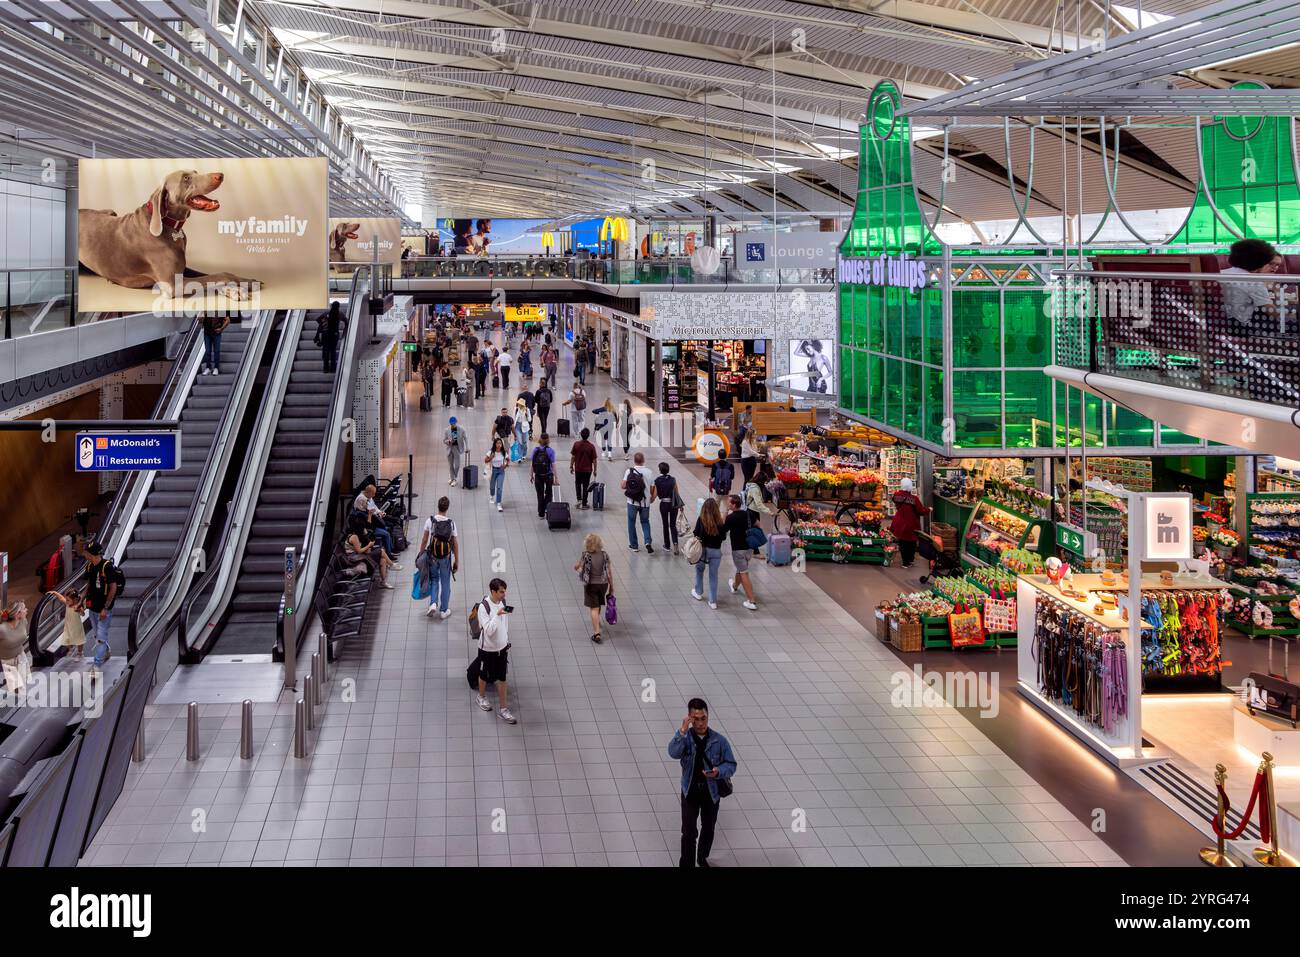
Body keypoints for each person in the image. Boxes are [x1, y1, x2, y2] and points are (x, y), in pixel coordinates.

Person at [667, 698, 737, 868]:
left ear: (708, 716)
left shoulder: (719, 741)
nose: (700, 723)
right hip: (690, 791)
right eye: (696, 719)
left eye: (703, 718)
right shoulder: (685, 738)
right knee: (689, 832)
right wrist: (682, 732)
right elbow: (673, 753)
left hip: (710, 793)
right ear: (690, 718)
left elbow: (731, 764)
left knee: (708, 829)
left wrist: (718, 771)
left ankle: (702, 857)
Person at [473, 577, 516, 724]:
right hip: (487, 649)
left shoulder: (502, 602)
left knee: (502, 678)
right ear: (493, 591)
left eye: (505, 592)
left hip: (502, 649)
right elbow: (489, 631)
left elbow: (505, 624)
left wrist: (506, 640)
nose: (504, 595)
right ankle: (481, 696)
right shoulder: (483, 607)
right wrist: (498, 615)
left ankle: (504, 709)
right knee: (484, 675)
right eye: (501, 592)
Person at [1220, 238, 1284, 327]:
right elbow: (1271, 312)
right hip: (1242, 328)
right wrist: (1292, 316)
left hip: (1221, 324)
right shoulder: (1253, 281)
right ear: (1259, 261)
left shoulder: (1220, 273)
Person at [419, 496, 460, 619]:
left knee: (435, 579)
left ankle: (433, 603)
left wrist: (421, 554)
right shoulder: (451, 523)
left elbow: (425, 539)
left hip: (433, 556)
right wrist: (457, 560)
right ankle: (444, 610)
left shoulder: (430, 521)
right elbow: (455, 543)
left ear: (438, 506)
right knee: (446, 582)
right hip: (445, 557)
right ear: (447, 508)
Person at [82, 542, 123, 664]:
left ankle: (97, 664)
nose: (84, 554)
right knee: (97, 635)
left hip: (104, 609)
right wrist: (80, 601)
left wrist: (105, 608)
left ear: (92, 554)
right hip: (92, 607)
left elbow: (113, 587)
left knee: (100, 637)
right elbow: (89, 585)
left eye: (86, 553)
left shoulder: (107, 567)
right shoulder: (89, 566)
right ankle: (106, 651)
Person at [574, 533, 614, 644]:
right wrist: (612, 587)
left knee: (593, 608)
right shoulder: (605, 555)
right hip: (603, 584)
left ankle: (597, 633)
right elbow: (609, 572)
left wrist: (577, 568)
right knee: (598, 604)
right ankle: (597, 621)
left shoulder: (585, 555)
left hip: (591, 585)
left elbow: (579, 568)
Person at [724, 494, 759, 611]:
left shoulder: (730, 518)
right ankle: (734, 586)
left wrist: (725, 513)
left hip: (738, 549)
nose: (727, 504)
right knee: (741, 568)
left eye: (729, 503)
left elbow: (723, 530)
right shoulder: (748, 514)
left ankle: (751, 600)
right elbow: (757, 524)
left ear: (734, 505)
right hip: (749, 548)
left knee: (744, 573)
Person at [690, 498, 726, 609]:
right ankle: (713, 601)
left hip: (702, 551)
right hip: (716, 551)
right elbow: (723, 537)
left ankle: (698, 592)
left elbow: (696, 533)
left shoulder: (701, 519)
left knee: (699, 571)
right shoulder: (720, 522)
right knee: (713, 576)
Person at [346, 512, 396, 589]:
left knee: (383, 560)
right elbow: (359, 551)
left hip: (360, 557)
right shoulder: (354, 537)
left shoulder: (357, 535)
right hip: (356, 560)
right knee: (381, 551)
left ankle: (383, 582)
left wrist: (366, 536)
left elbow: (362, 548)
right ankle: (392, 565)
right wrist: (368, 546)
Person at [890, 477, 931, 569]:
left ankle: (905, 562)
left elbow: (894, 500)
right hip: (911, 523)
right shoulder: (914, 499)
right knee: (911, 543)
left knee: (903, 543)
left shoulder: (896, 495)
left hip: (900, 522)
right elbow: (921, 511)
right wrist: (929, 509)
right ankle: (910, 560)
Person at [621, 451, 655, 553]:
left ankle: (634, 545)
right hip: (645, 503)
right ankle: (647, 542)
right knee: (645, 522)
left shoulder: (629, 471)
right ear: (643, 460)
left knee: (631, 523)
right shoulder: (649, 472)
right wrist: (651, 497)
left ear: (634, 461)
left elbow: (623, 486)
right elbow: (652, 488)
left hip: (632, 502)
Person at [354, 483, 398, 558]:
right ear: (368, 492)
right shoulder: (362, 504)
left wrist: (379, 512)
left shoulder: (368, 497)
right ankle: (389, 553)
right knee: (386, 533)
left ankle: (391, 550)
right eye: (373, 494)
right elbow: (368, 524)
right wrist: (372, 514)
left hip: (372, 523)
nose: (374, 496)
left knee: (388, 528)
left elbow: (373, 507)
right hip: (370, 529)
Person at [0, 602, 32, 690]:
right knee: (15, 687)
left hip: (21, 657)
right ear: (18, 613)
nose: (27, 610)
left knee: (23, 685)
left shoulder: (23, 621)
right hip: (7, 662)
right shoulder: (2, 629)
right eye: (24, 609)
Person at [653, 461, 683, 555]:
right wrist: (680, 505)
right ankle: (675, 543)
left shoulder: (657, 480)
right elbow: (677, 493)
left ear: (660, 470)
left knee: (665, 525)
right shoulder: (673, 479)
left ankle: (667, 545)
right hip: (673, 504)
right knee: (673, 525)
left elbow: (655, 494)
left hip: (664, 504)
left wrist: (650, 500)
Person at [49, 589, 87, 658]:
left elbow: (83, 614)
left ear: (75, 600)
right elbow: (61, 598)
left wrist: (80, 610)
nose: (66, 601)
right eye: (66, 599)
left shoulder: (77, 607)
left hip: (77, 627)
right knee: (67, 638)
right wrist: (55, 592)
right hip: (68, 626)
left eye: (68, 600)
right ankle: (71, 649)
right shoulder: (67, 604)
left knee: (79, 640)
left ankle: (80, 652)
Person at [570, 427, 598, 509]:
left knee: (578, 484)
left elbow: (573, 457)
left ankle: (579, 500)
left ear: (581, 435)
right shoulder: (591, 446)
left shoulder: (576, 444)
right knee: (586, 486)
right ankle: (584, 504)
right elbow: (594, 460)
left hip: (578, 469)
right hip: (587, 470)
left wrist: (571, 466)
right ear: (588, 435)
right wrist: (595, 470)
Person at [530, 433, 556, 519]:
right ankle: (547, 509)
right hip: (548, 475)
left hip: (538, 475)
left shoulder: (535, 450)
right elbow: (553, 465)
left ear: (540, 440)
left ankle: (541, 513)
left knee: (539, 494)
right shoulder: (550, 451)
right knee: (549, 493)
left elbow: (532, 464)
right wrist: (556, 477)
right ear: (548, 440)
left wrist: (531, 475)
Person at [483, 436, 509, 511]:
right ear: (495, 444)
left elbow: (508, 460)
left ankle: (499, 503)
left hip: (501, 471)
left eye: (500, 443)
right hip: (493, 470)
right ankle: (491, 495)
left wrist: (505, 465)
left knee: (499, 488)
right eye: (497, 443)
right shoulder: (491, 452)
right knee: (492, 486)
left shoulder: (503, 452)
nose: (499, 445)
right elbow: (485, 460)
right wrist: (491, 457)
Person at [317, 301, 342, 374]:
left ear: (331, 306)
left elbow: (318, 319)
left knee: (326, 352)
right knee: (333, 351)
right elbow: (346, 321)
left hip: (326, 335)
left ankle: (325, 369)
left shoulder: (326, 313)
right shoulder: (340, 314)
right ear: (338, 307)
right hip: (334, 335)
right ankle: (333, 369)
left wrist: (324, 325)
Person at [444, 417, 469, 486]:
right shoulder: (447, 430)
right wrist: (449, 441)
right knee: (450, 465)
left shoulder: (461, 429)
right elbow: (444, 440)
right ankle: (453, 479)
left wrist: (467, 447)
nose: (453, 425)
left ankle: (454, 477)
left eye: (454, 423)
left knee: (457, 465)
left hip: (457, 448)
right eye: (451, 424)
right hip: (450, 448)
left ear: (456, 422)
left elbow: (465, 438)